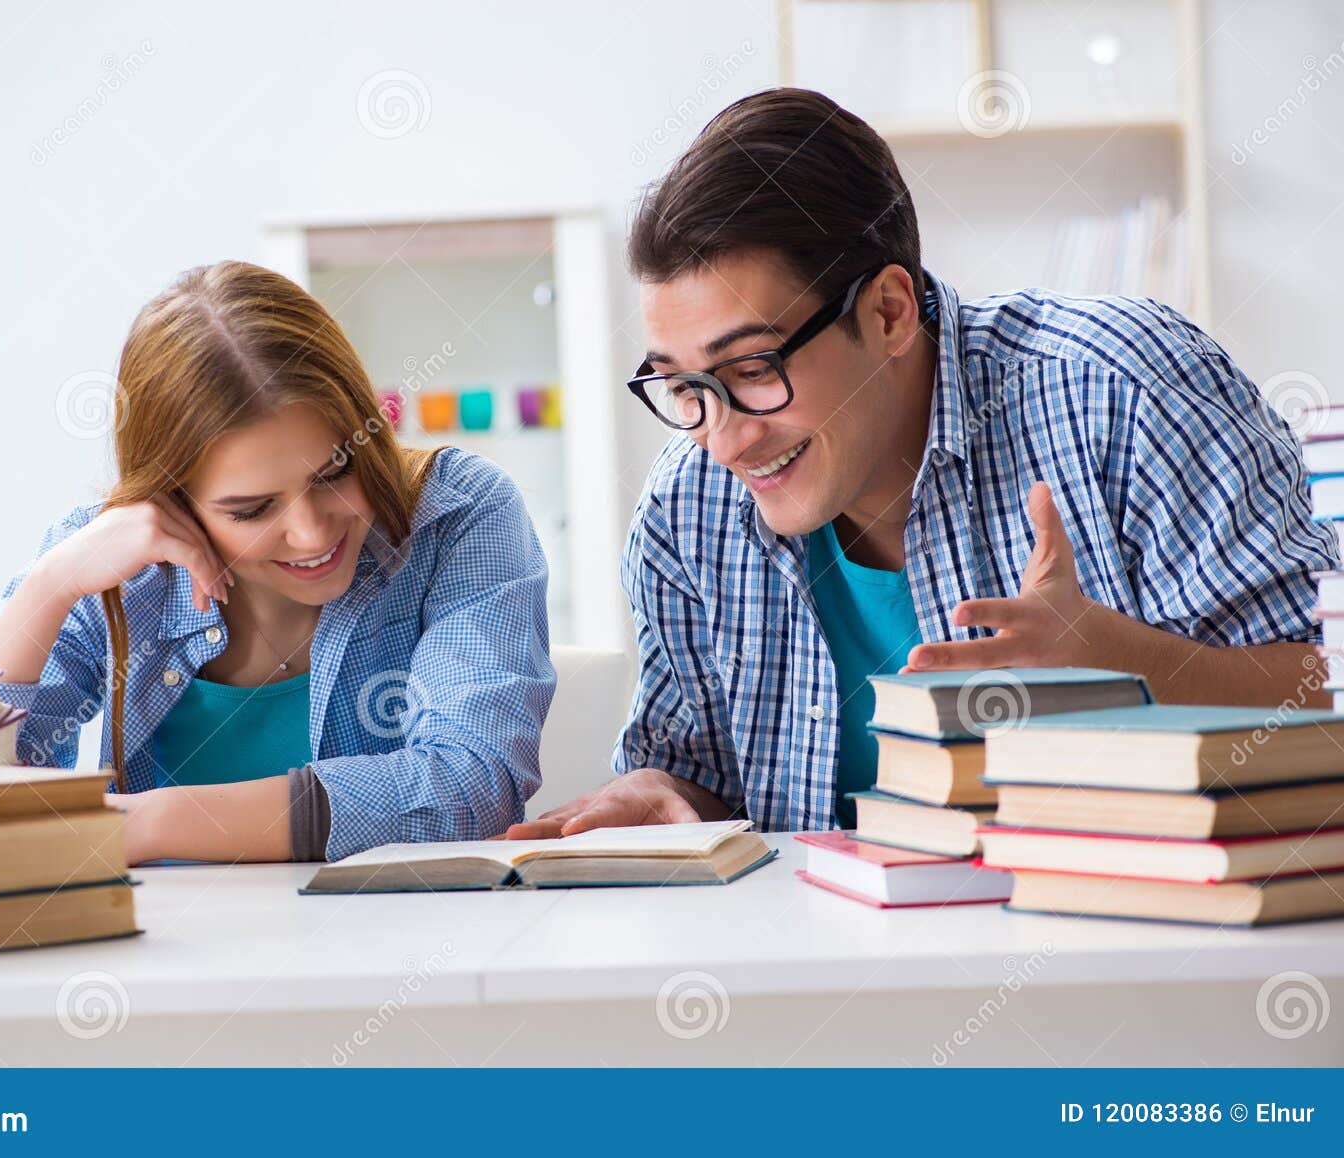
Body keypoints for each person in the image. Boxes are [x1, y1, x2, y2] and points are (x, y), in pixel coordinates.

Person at [509, 87, 1334, 841]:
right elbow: (704, 779)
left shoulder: (1122, 391)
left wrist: (1129, 666)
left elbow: (1327, 695)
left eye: (755, 369)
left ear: (890, 312)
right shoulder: (686, 510)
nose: (723, 441)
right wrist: (661, 792)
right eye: (683, 386)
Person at [0, 261, 554, 863]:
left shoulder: (457, 513)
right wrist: (50, 585)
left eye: (335, 472)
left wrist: (148, 821)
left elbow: (472, 785)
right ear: (172, 499)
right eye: (251, 509)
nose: (311, 533)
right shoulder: (109, 562)